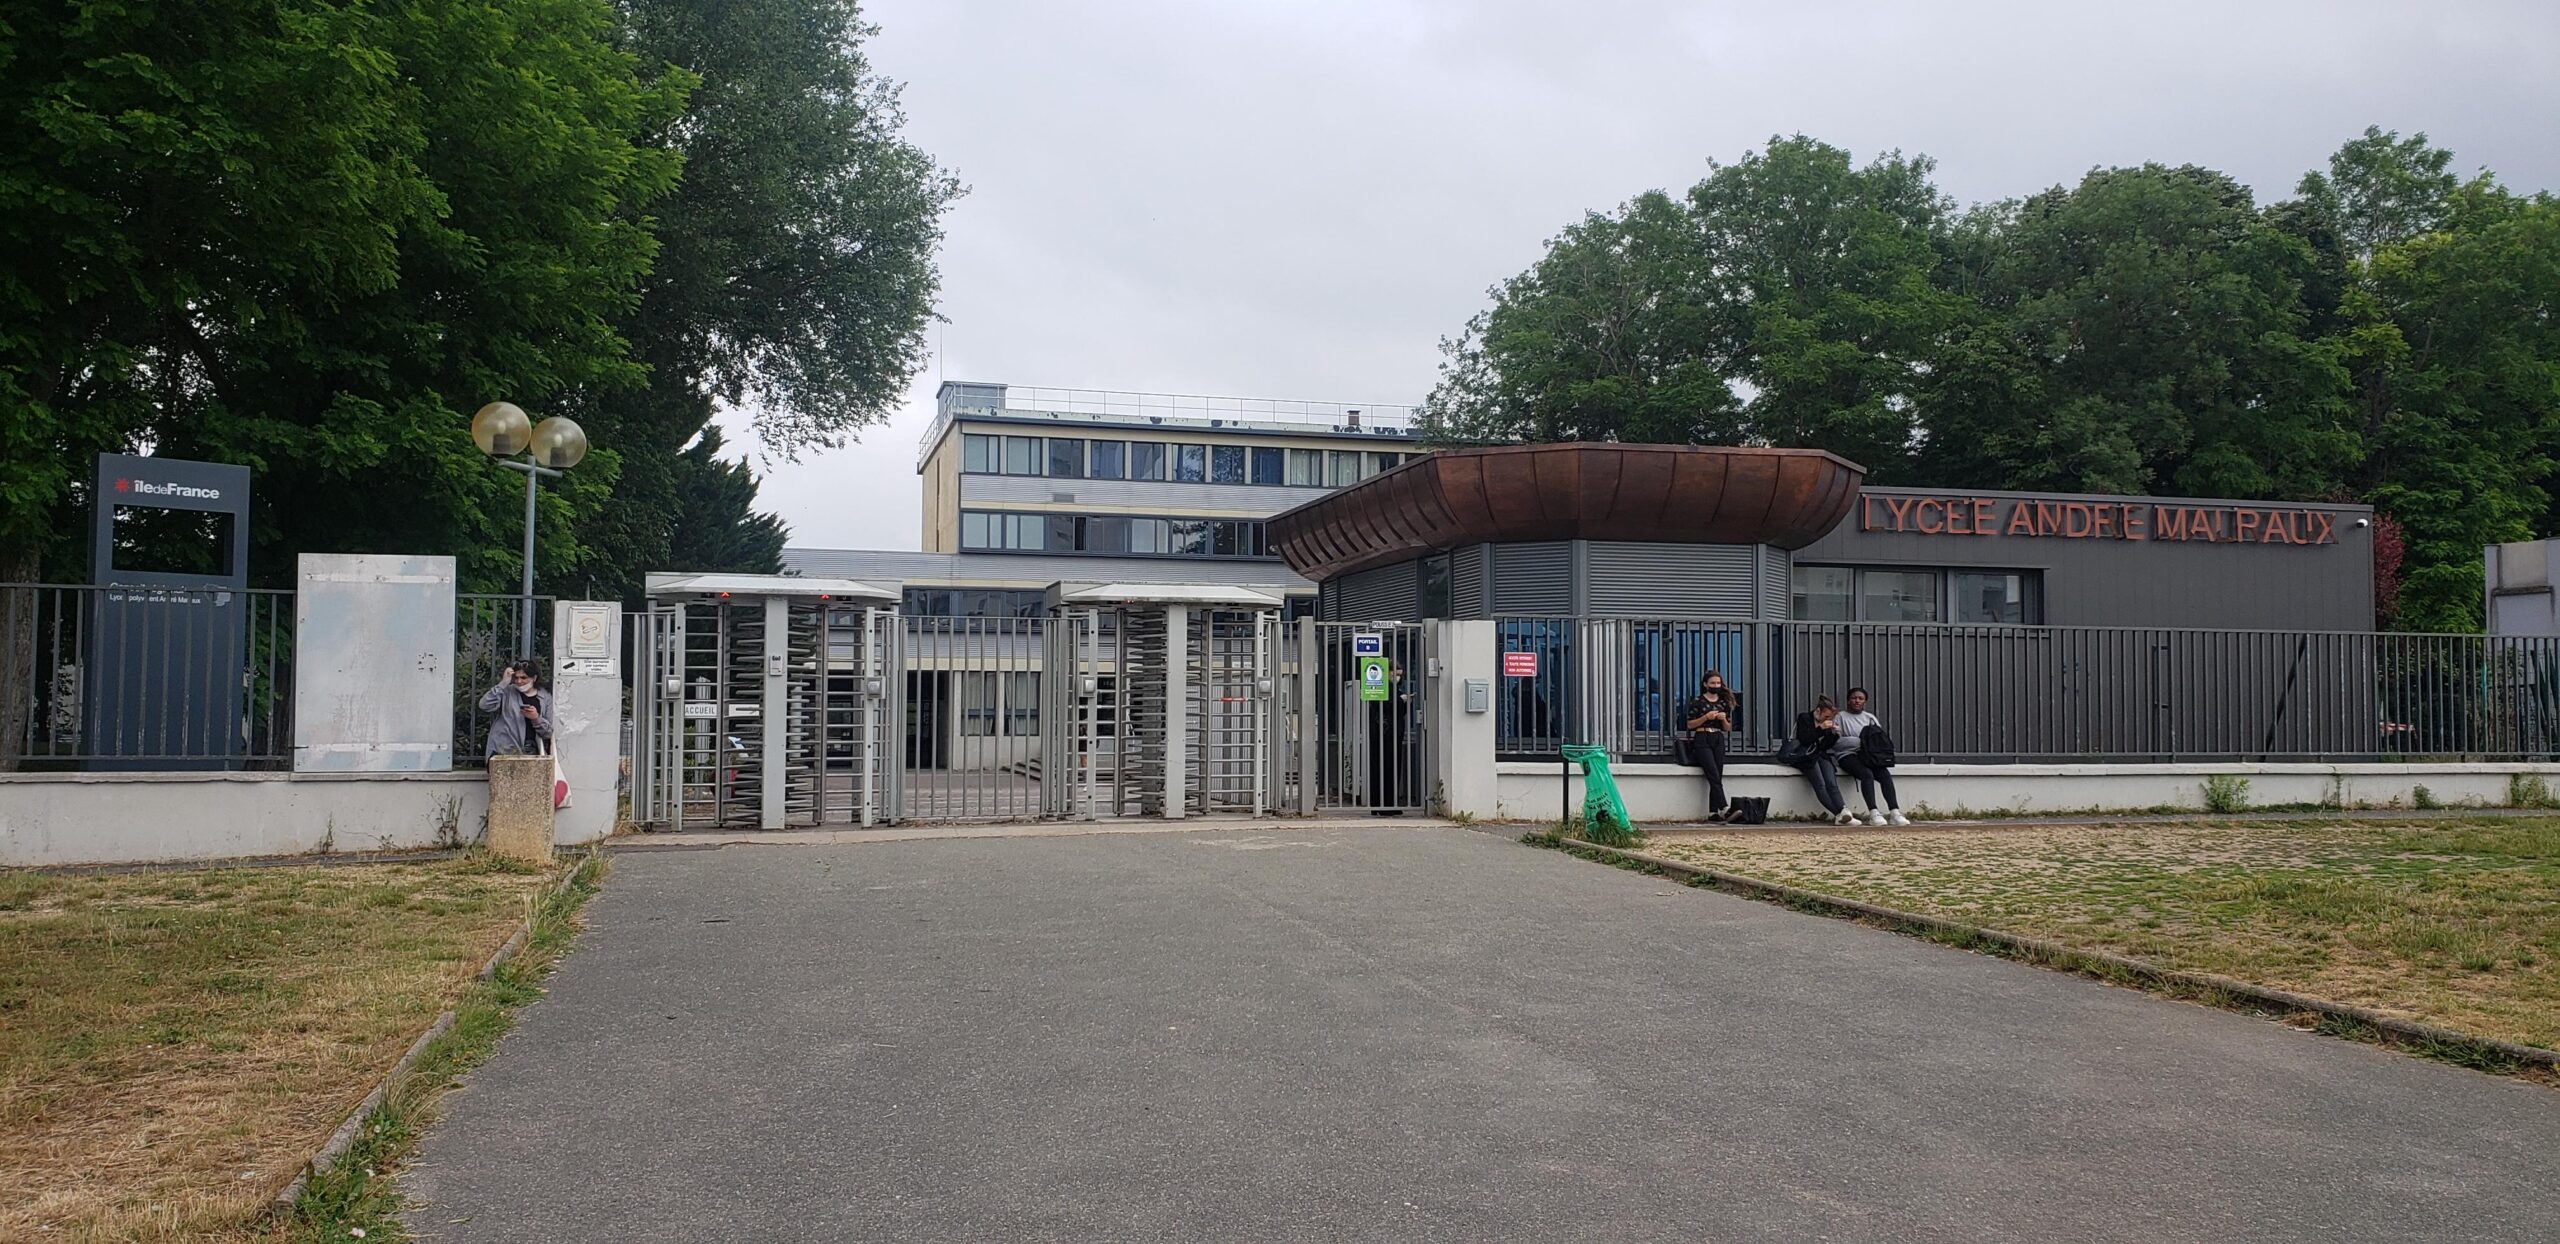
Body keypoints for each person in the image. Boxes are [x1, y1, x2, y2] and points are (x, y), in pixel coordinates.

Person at [1832, 686, 1909, 826]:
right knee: (1866, 774)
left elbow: (1879, 740)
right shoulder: (1839, 717)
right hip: (1847, 755)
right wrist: (1860, 742)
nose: (1857, 701)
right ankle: (1873, 813)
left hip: (1869, 756)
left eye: (1860, 698)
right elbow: (1837, 743)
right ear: (1848, 701)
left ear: (1865, 702)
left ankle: (1894, 812)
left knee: (1884, 775)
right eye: (1854, 698)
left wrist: (1866, 745)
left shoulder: (1870, 718)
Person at [1682, 671, 1741, 822]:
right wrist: (1706, 717)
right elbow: (1690, 724)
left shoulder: (1723, 703)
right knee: (1712, 773)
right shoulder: (1698, 702)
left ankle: (1713, 811)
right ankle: (1724, 807)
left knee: (1717, 773)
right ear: (1705, 684)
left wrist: (1723, 720)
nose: (1716, 686)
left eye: (1718, 683)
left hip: (1718, 738)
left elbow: (1728, 728)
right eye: (1713, 683)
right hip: (1702, 737)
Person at [1790, 694, 1851, 824]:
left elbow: (1825, 746)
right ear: (1818, 711)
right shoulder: (1805, 718)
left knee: (1832, 783)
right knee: (1820, 785)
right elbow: (1805, 739)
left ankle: (1843, 811)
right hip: (1806, 757)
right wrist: (1820, 729)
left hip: (1820, 755)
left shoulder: (1826, 724)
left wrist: (1834, 735)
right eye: (1826, 716)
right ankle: (1839, 814)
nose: (1827, 720)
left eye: (1830, 718)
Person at [480, 657, 554, 759]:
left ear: (534, 678)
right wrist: (503, 683)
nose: (519, 681)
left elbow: (548, 732)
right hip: (504, 749)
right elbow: (485, 705)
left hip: (531, 751)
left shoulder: (545, 697)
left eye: (524, 678)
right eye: (516, 677)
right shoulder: (507, 691)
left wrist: (536, 718)